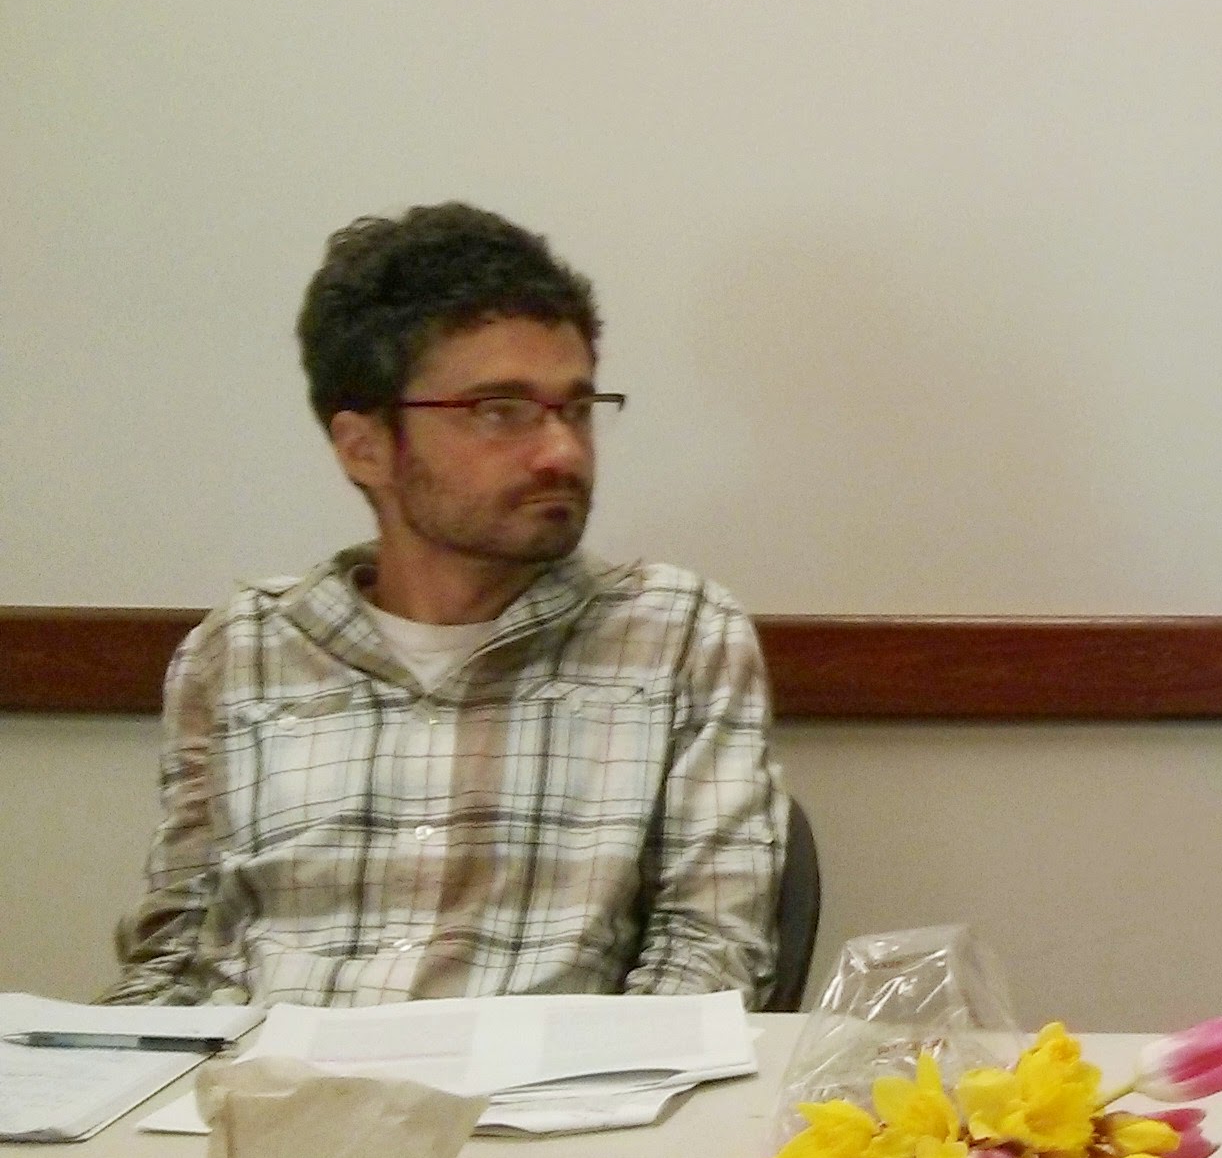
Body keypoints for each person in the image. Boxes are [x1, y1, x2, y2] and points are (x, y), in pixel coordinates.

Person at [108, 204, 787, 1006]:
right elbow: (174, 963)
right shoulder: (244, 651)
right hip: (261, 1109)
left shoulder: (674, 635)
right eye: (501, 412)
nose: (563, 450)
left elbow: (706, 962)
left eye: (576, 408)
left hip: (544, 1112)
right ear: (363, 447)